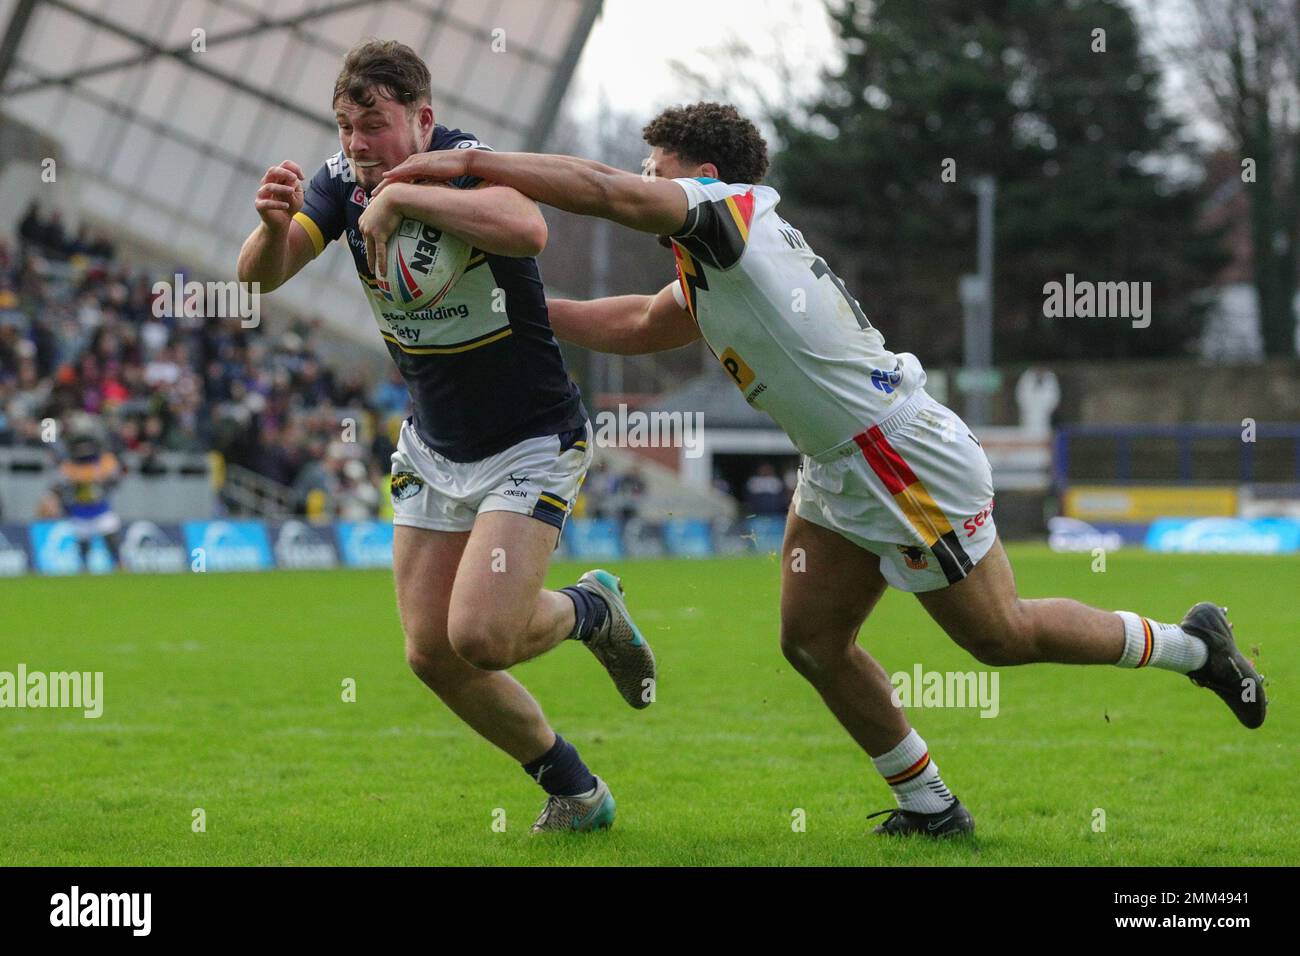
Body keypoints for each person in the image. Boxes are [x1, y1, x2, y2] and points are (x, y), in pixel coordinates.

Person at [377, 101, 1266, 838]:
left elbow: (603, 192)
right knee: (811, 643)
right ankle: (931, 807)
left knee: (999, 637)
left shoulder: (726, 213)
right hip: (841, 466)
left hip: (897, 455)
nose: (644, 179)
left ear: (699, 172)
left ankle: (1194, 648)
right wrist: (523, 310)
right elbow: (643, 324)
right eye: (646, 168)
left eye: (658, 165)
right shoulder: (709, 260)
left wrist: (464, 166)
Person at [236, 39, 655, 832]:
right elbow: (259, 276)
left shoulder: (467, 160)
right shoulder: (337, 181)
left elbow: (527, 229)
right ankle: (576, 792)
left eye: (374, 124)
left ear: (422, 120)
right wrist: (270, 227)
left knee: (483, 637)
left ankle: (589, 610)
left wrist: (406, 198)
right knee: (432, 653)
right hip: (434, 445)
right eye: (344, 124)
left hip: (530, 439)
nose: (357, 143)